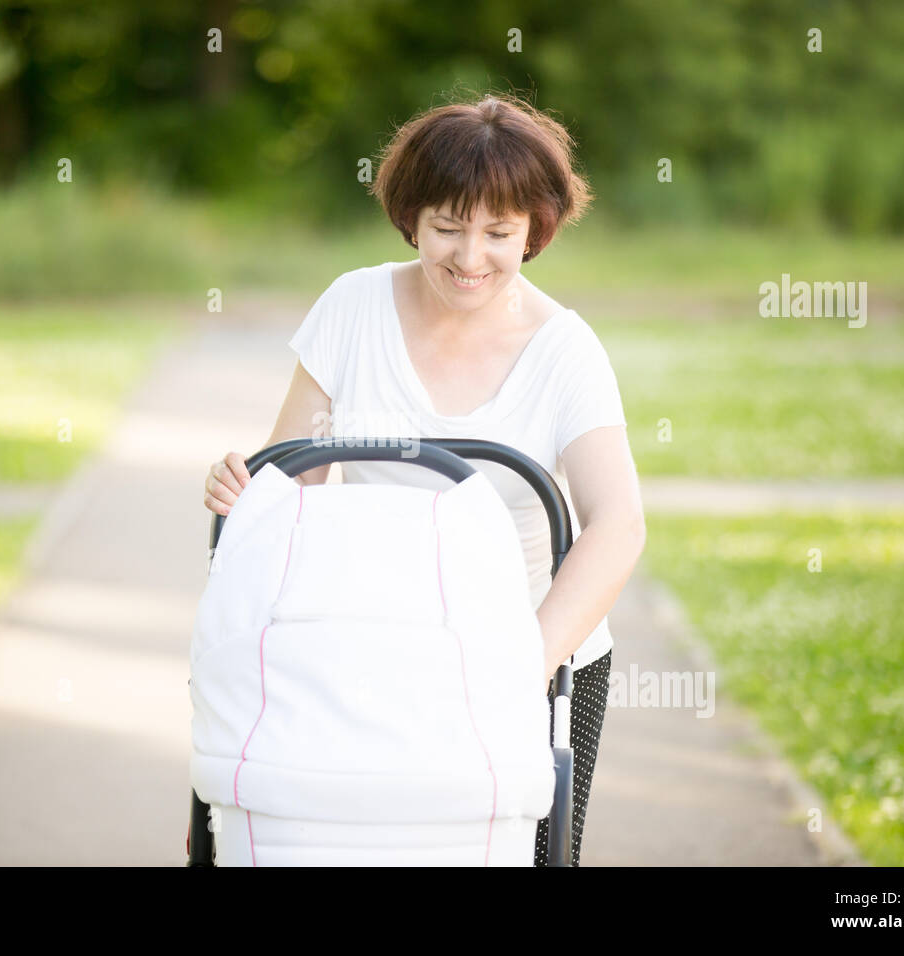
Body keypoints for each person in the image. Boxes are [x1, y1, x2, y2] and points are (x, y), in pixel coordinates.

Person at [202, 92, 646, 866]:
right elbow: (295, 480)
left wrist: (521, 667)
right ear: (412, 217)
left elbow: (618, 525)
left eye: (499, 234)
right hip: (370, 642)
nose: (470, 258)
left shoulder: (566, 351)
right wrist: (251, 496)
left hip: (526, 649)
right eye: (447, 227)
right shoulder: (352, 306)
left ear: (534, 232)